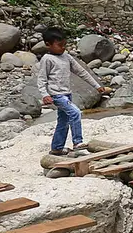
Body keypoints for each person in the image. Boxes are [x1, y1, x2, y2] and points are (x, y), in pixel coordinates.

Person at [37, 27, 110, 156]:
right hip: (57, 95)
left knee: (63, 122)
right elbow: (42, 79)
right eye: (59, 45)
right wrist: (45, 95)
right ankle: (77, 142)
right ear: (48, 44)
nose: (63, 48)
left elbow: (81, 72)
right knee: (75, 112)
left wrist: (96, 85)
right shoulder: (47, 59)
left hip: (67, 94)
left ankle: (57, 148)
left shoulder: (66, 57)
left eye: (64, 45)